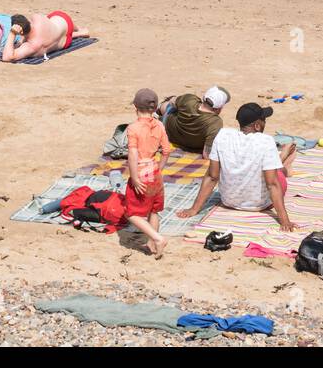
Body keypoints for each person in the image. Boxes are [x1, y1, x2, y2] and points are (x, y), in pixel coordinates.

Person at [177, 102, 296, 232]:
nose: (265, 123)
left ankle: (282, 159)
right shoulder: (266, 141)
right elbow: (272, 184)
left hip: (228, 202)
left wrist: (194, 209)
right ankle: (284, 160)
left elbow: (212, 176)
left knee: (269, 169)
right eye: (264, 121)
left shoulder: (222, 136)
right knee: (278, 175)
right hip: (259, 205)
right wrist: (284, 220)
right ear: (257, 125)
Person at [125, 88, 172, 257]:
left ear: (136, 107)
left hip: (142, 171)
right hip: (155, 171)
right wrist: (159, 169)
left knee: (132, 213)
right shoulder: (159, 125)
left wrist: (135, 177)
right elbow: (166, 151)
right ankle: (151, 245)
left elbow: (133, 153)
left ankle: (157, 238)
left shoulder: (133, 128)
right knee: (153, 210)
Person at [160, 86, 229, 156]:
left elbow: (172, 102)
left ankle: (158, 110)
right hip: (192, 146)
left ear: (204, 98)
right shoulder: (215, 123)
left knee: (168, 106)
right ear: (219, 108)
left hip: (169, 132)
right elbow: (206, 154)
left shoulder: (189, 100)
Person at [1, 11, 90, 61]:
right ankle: (79, 30)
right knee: (54, 20)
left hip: (66, 42)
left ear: (20, 32)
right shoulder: (37, 17)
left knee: (56, 37)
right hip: (65, 21)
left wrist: (12, 33)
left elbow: (7, 57)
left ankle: (78, 33)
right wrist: (22, 39)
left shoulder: (31, 46)